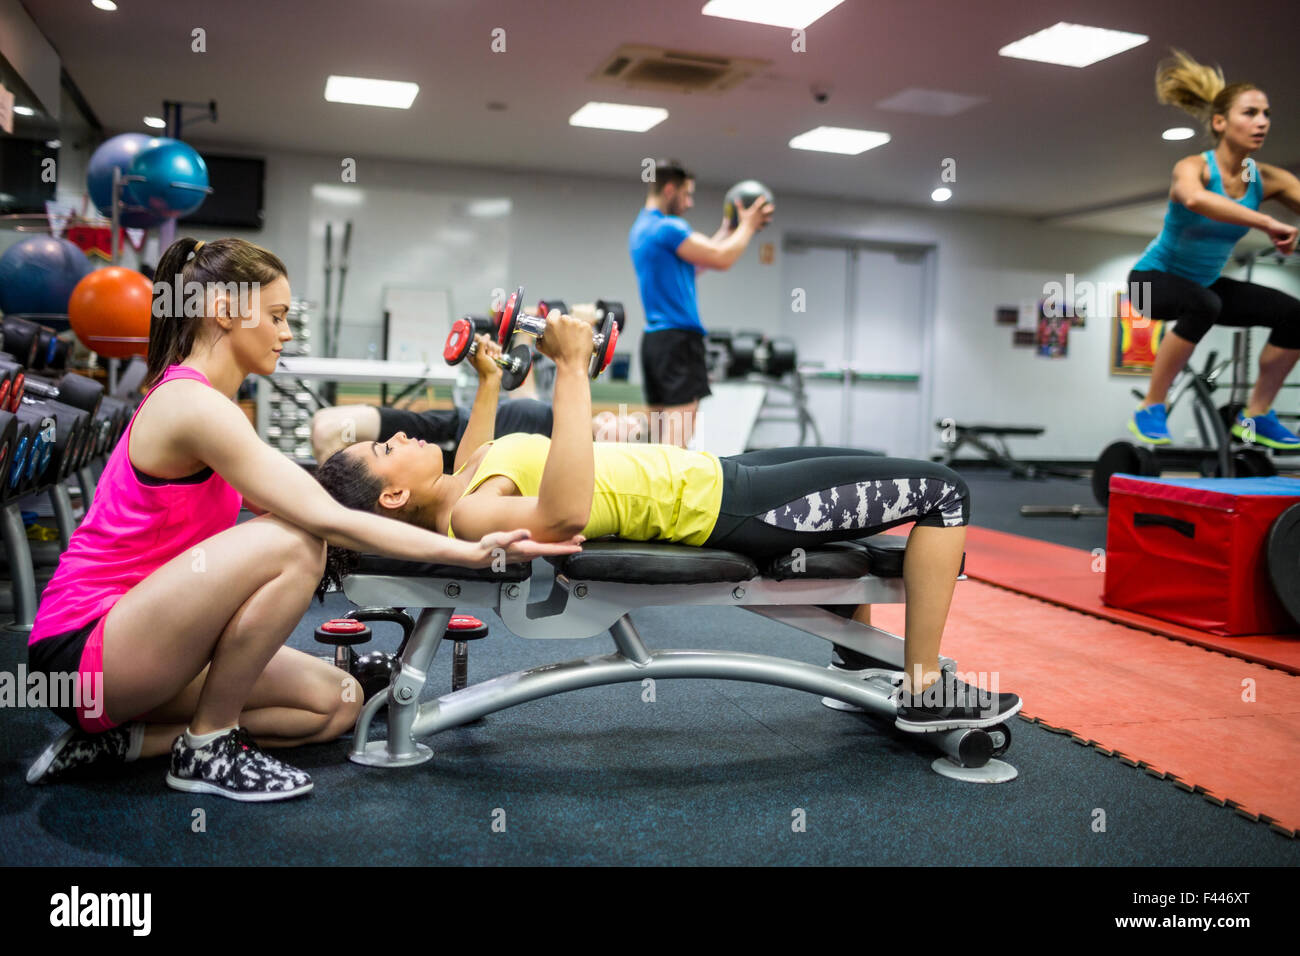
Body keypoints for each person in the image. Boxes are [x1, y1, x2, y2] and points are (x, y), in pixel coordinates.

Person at [24, 237, 580, 802]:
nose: (286, 333)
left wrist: (446, 508)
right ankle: (209, 745)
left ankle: (130, 743)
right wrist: (470, 554)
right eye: (276, 316)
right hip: (87, 651)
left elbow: (336, 498)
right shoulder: (190, 406)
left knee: (335, 701)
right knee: (296, 543)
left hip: (152, 644)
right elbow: (324, 516)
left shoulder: (217, 410)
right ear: (224, 312)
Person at [315, 312, 1020, 731]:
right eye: (385, 450)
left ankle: (856, 651)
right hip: (731, 509)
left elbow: (483, 440)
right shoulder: (470, 512)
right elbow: (563, 515)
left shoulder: (463, 479)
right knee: (943, 491)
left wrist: (493, 376)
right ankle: (923, 685)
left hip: (724, 473)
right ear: (392, 501)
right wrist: (572, 370)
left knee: (868, 465)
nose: (401, 437)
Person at [1129, 50, 1300, 449]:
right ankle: (1151, 406)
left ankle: (1255, 417)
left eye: (1267, 114)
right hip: (1148, 281)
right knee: (1204, 304)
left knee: (1295, 315)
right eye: (1251, 112)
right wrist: (1266, 222)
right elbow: (1195, 200)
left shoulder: (1269, 178)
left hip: (1205, 286)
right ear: (1220, 122)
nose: (1262, 122)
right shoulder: (1193, 168)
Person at [630, 159, 774, 448]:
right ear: (670, 190)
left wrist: (726, 230)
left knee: (660, 437)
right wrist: (747, 226)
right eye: (687, 194)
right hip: (679, 340)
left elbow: (695, 264)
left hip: (655, 342)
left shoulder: (642, 228)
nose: (690, 202)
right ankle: (670, 493)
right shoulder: (668, 227)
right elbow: (721, 259)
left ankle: (651, 489)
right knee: (678, 436)